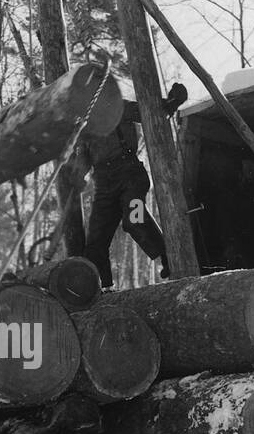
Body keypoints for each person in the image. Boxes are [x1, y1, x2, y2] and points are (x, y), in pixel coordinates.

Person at [80, 81, 190, 288]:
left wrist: (171, 103)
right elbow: (83, 160)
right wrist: (74, 176)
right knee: (95, 240)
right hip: (104, 184)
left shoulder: (118, 108)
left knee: (134, 218)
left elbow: (149, 112)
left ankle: (168, 256)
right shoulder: (85, 126)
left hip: (129, 175)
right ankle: (101, 288)